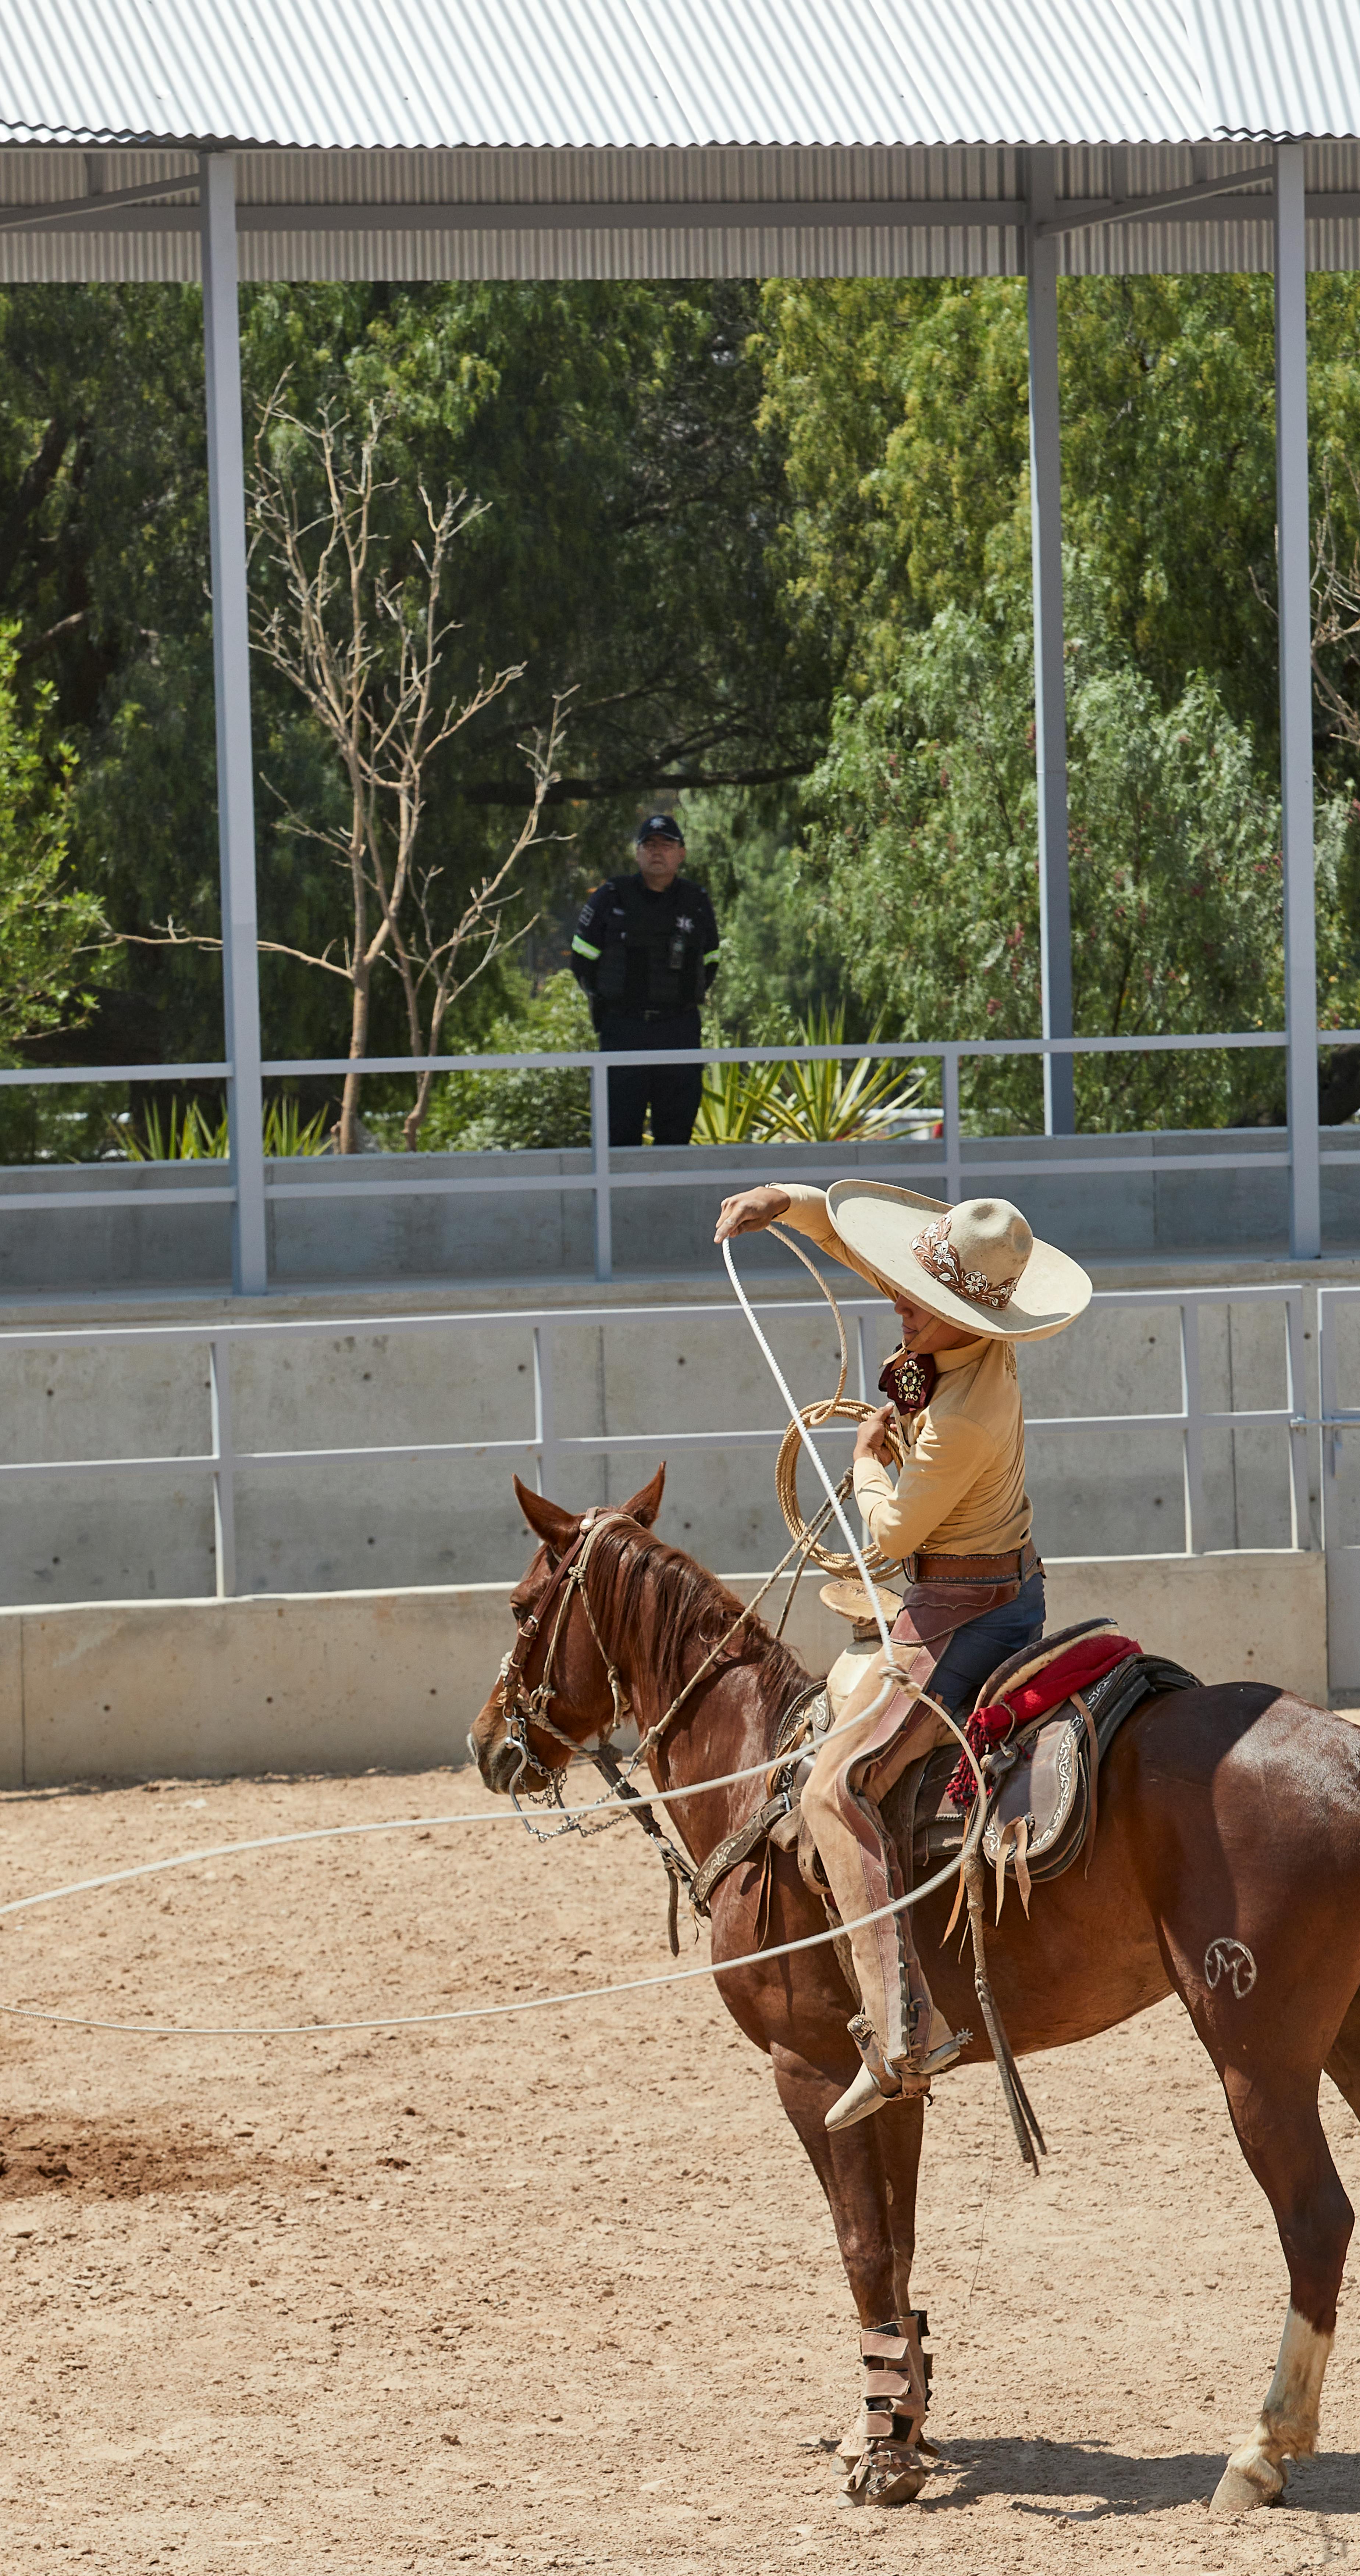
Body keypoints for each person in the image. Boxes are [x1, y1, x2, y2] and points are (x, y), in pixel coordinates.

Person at [713, 1177, 1092, 2131]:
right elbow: (872, 1265)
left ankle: (901, 2026)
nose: (895, 1305)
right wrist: (791, 1204)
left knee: (831, 1786)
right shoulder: (966, 1348)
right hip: (988, 1586)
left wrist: (868, 1461)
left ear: (955, 1316)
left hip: (966, 1613)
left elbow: (888, 1534)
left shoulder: (963, 1415)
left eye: (915, 1302)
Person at [569, 811, 719, 1148]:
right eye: (649, 844)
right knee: (619, 1134)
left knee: (676, 1131)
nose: (657, 851)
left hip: (678, 1030)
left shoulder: (696, 902)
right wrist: (610, 1004)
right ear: (637, 853)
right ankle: (620, 1202)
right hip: (623, 1030)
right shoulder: (611, 896)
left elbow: (710, 962)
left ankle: (671, 1201)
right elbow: (582, 962)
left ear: (681, 853)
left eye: (667, 844)